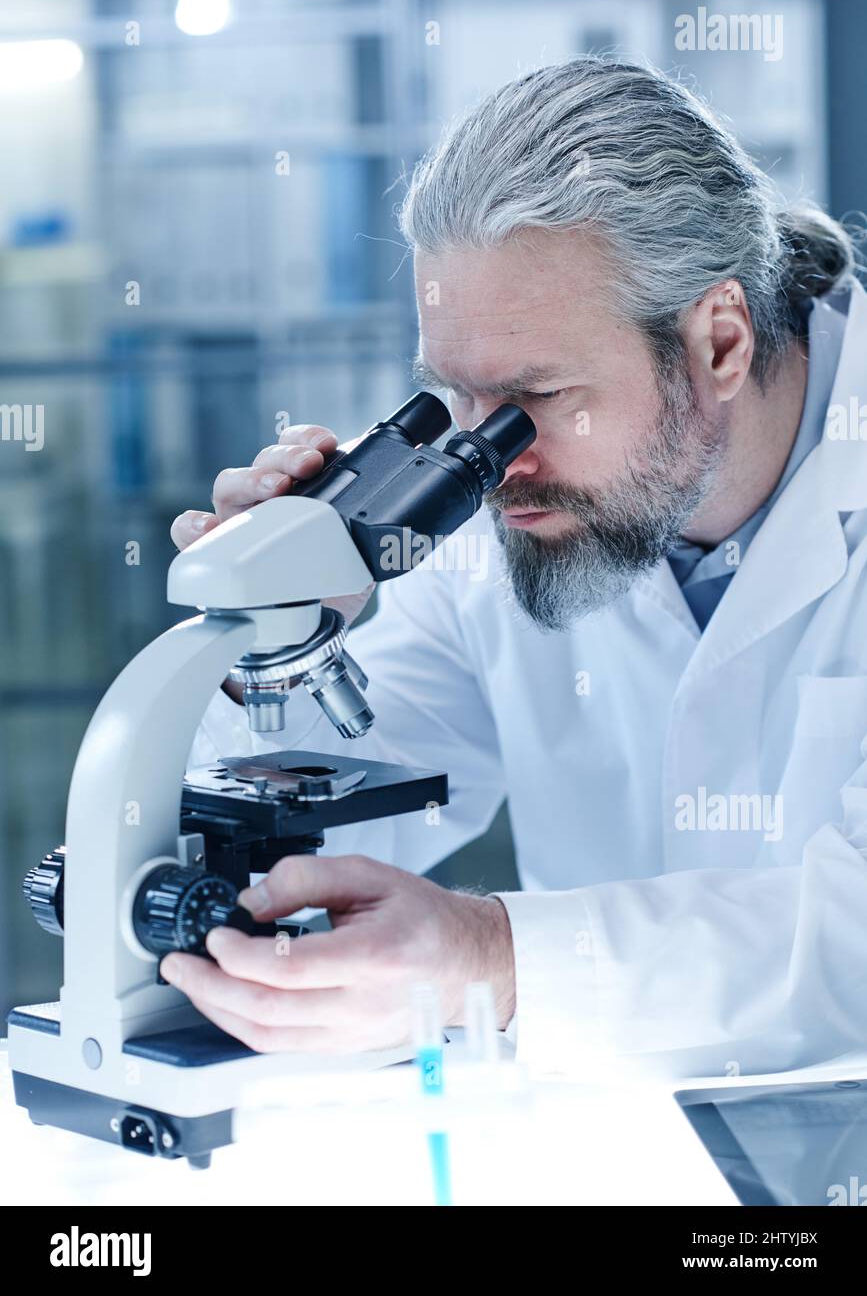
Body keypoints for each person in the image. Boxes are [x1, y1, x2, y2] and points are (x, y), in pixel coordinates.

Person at [163, 56, 867, 1078]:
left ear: (719, 340)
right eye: (456, 401)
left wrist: (493, 960)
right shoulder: (520, 522)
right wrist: (273, 639)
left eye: (537, 397)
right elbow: (294, 855)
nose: (494, 463)